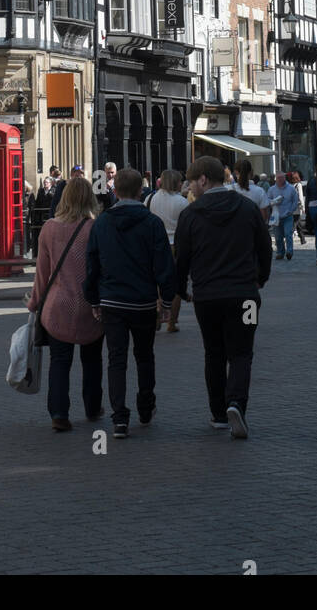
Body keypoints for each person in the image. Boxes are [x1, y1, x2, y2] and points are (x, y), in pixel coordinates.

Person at [176, 156, 272, 438]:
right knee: (243, 352)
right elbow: (264, 247)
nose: (190, 187)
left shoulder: (191, 215)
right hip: (246, 296)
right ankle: (236, 404)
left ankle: (218, 413)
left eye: (192, 181)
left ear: (203, 180)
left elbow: (182, 258)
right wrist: (261, 278)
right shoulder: (246, 208)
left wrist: (181, 289)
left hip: (207, 299)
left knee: (214, 352)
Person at [83, 165, 176, 438]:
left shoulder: (101, 223)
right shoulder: (152, 223)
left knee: (116, 359)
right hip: (143, 302)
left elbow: (92, 265)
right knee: (145, 356)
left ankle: (119, 418)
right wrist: (167, 301)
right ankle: (145, 407)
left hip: (112, 301)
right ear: (139, 191)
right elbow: (164, 266)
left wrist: (93, 299)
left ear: (116, 191)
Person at [27, 176, 103, 431]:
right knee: (92, 361)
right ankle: (93, 407)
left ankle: (59, 413)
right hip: (91, 306)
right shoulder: (96, 227)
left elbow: (42, 272)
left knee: (60, 362)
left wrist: (34, 302)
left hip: (57, 307)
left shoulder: (49, 228)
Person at [149, 170, 188, 332]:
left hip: (156, 245)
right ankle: (172, 321)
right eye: (179, 181)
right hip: (175, 245)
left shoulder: (150, 198)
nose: (181, 184)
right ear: (174, 182)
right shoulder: (182, 202)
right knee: (176, 284)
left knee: (157, 283)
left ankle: (157, 314)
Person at [265, 171, 299, 260]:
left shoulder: (291, 189)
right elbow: (267, 200)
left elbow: (295, 201)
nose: (280, 180)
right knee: (278, 236)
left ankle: (289, 251)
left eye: (282, 178)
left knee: (288, 234)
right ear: (276, 179)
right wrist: (273, 202)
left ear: (284, 178)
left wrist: (291, 210)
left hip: (287, 215)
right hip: (276, 216)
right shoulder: (272, 189)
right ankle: (280, 252)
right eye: (278, 178)